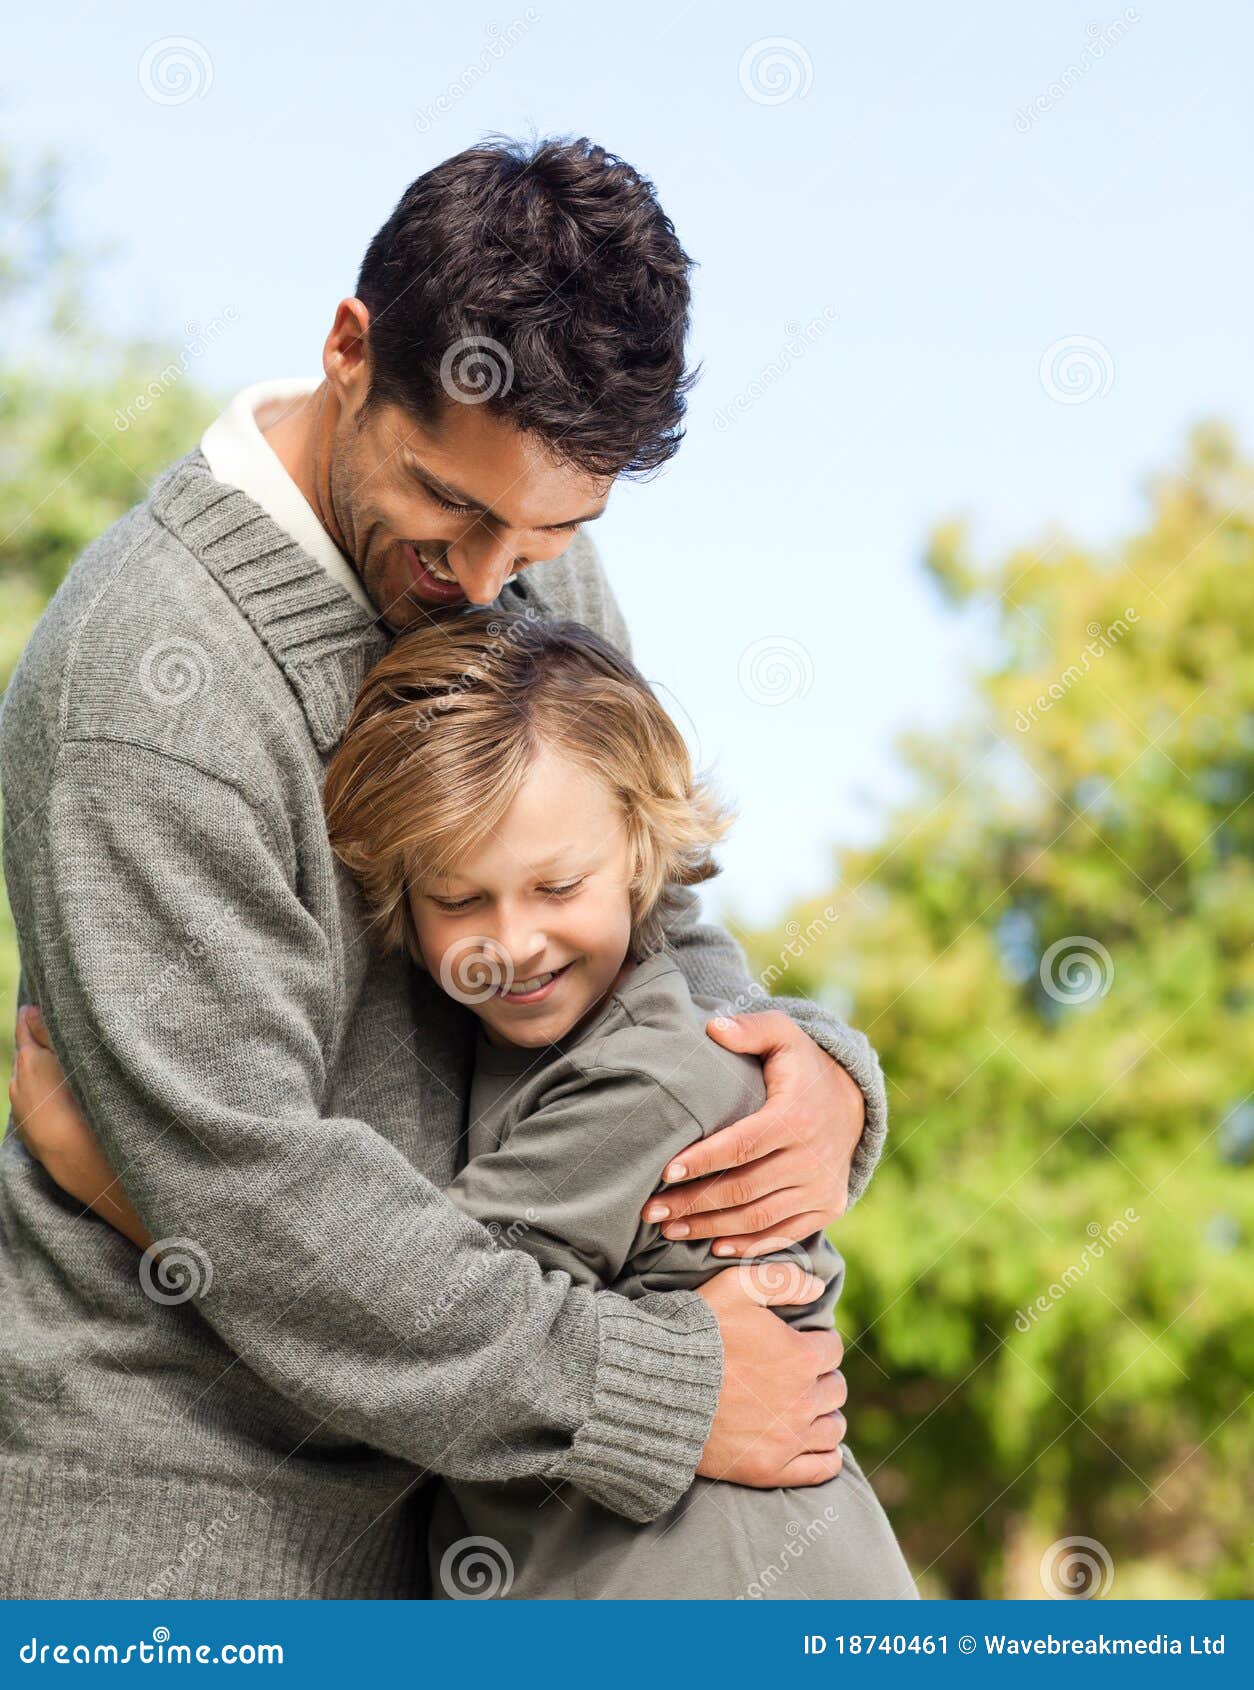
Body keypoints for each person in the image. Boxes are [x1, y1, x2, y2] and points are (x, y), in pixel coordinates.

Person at [0, 136, 887, 1599]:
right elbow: (254, 1193)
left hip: (460, 1512)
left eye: (552, 526)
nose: (492, 580)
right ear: (349, 351)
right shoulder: (145, 689)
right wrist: (653, 1388)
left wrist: (801, 1066)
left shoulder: (532, 564)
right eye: (455, 506)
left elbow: (647, 902)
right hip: (186, 1532)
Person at [13, 610, 916, 1601]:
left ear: (641, 851)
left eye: (556, 885)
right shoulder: (548, 1053)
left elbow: (383, 1313)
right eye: (458, 900)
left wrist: (127, 1184)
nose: (511, 942)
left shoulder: (645, 1083)